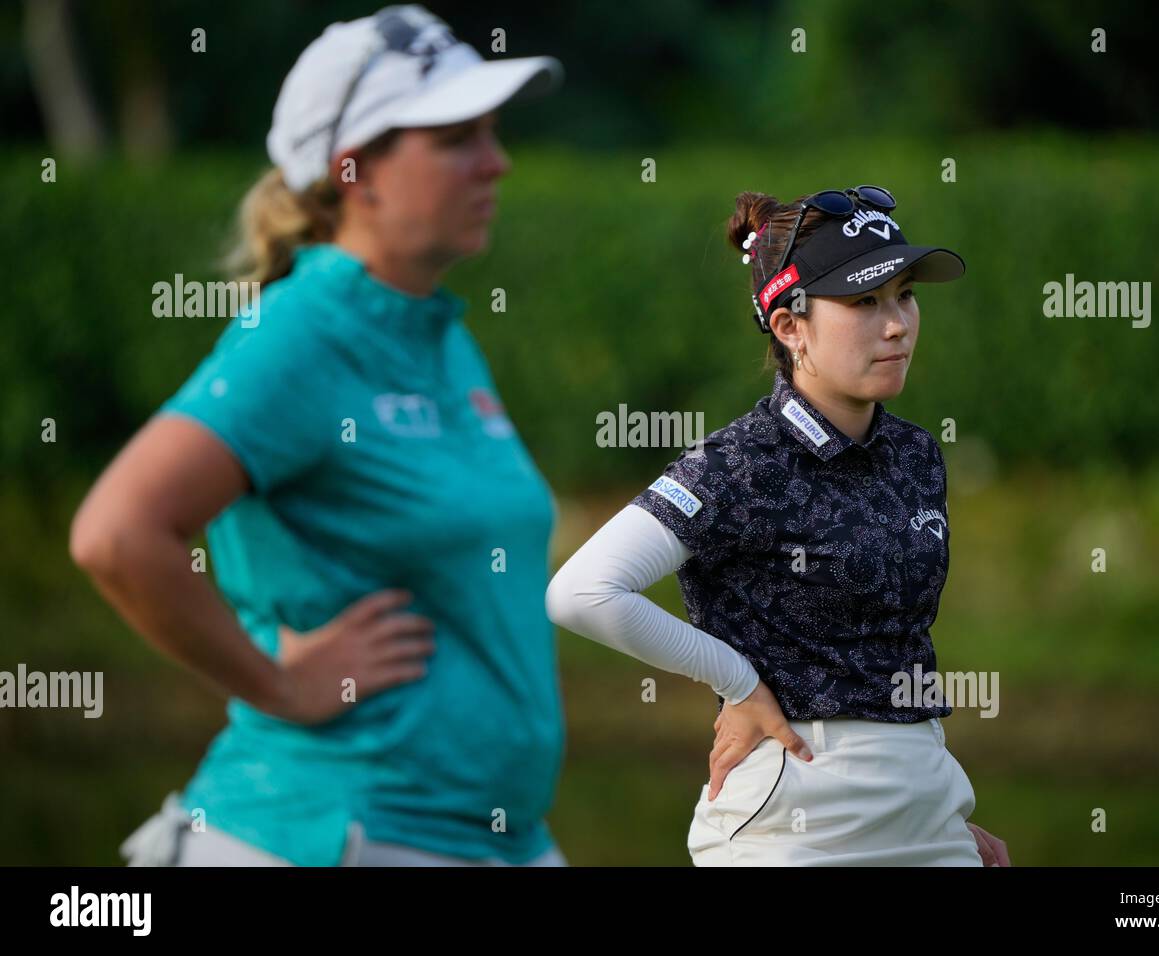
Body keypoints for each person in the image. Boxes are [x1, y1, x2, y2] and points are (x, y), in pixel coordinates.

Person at [70, 5, 569, 867]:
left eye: (491, 131)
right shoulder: (302, 332)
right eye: (456, 138)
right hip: (329, 830)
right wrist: (281, 685)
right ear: (353, 170)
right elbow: (116, 535)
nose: (498, 161)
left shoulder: (437, 332)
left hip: (486, 841)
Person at [546, 185, 1011, 866]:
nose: (898, 325)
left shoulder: (916, 454)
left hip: (925, 806)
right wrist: (738, 681)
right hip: (791, 823)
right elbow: (583, 592)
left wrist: (932, 818)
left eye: (904, 295)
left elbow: (897, 649)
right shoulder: (738, 462)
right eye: (863, 302)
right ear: (790, 327)